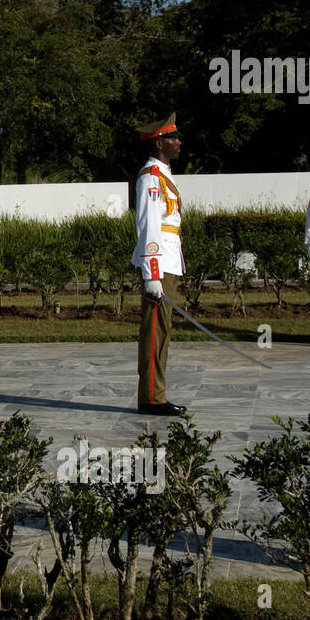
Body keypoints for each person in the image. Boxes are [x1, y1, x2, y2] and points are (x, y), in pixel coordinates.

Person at [131, 113, 188, 418]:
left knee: (162, 330)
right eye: (173, 137)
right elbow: (149, 225)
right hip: (159, 264)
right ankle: (152, 398)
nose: (179, 142)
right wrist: (152, 272)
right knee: (155, 330)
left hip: (168, 260)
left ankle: (155, 394)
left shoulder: (163, 174)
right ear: (159, 142)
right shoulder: (151, 177)